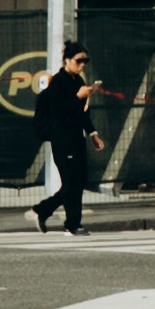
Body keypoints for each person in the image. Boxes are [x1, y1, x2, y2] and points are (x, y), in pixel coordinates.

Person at [33, 40, 98, 237]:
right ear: (67, 60)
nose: (82, 64)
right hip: (62, 138)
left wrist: (93, 133)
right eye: (79, 60)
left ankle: (43, 210)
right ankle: (72, 223)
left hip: (76, 136)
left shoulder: (78, 82)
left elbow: (81, 113)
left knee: (79, 180)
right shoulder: (58, 82)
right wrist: (78, 96)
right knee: (71, 182)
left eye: (85, 60)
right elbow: (58, 111)